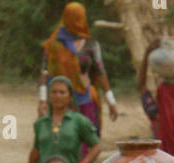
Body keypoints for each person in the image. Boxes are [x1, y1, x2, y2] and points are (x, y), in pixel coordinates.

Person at [40, 2, 118, 145]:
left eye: (80, 17)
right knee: (61, 141)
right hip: (59, 101)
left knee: (87, 140)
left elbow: (100, 72)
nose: (78, 21)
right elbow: (45, 73)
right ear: (66, 17)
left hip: (85, 99)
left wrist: (111, 101)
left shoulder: (91, 44)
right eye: (74, 17)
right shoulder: (54, 44)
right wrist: (43, 100)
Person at [14, 76, 101, 163]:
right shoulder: (41, 123)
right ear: (49, 96)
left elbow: (96, 147)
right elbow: (36, 152)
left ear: (70, 96)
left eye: (62, 92)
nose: (57, 96)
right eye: (54, 92)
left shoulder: (79, 121)